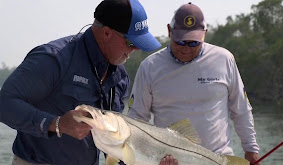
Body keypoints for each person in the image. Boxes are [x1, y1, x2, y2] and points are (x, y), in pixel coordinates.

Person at [0, 0, 161, 164]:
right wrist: (57, 124)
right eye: (131, 43)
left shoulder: (120, 77)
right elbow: (4, 103)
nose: (136, 50)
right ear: (106, 33)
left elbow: (115, 144)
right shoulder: (54, 59)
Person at [128, 2, 260, 165]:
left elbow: (241, 110)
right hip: (170, 160)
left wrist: (251, 150)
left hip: (219, 159)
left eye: (193, 43)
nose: (186, 49)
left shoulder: (225, 59)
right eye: (180, 42)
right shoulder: (149, 67)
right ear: (169, 31)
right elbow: (136, 120)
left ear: (204, 34)